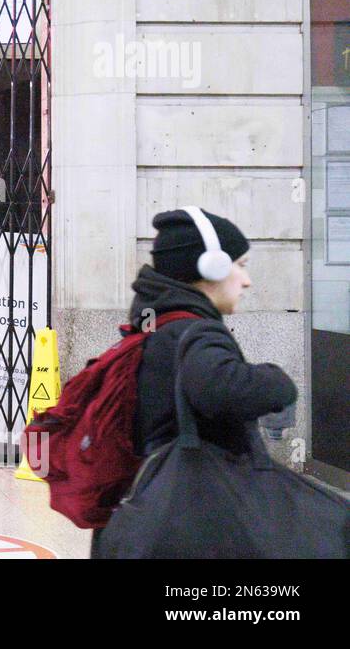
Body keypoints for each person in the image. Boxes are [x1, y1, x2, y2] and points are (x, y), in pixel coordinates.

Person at [93, 207, 297, 558]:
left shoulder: (154, 321)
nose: (246, 281)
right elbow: (221, 389)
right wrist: (278, 381)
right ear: (211, 268)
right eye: (241, 266)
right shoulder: (194, 332)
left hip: (146, 516)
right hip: (187, 520)